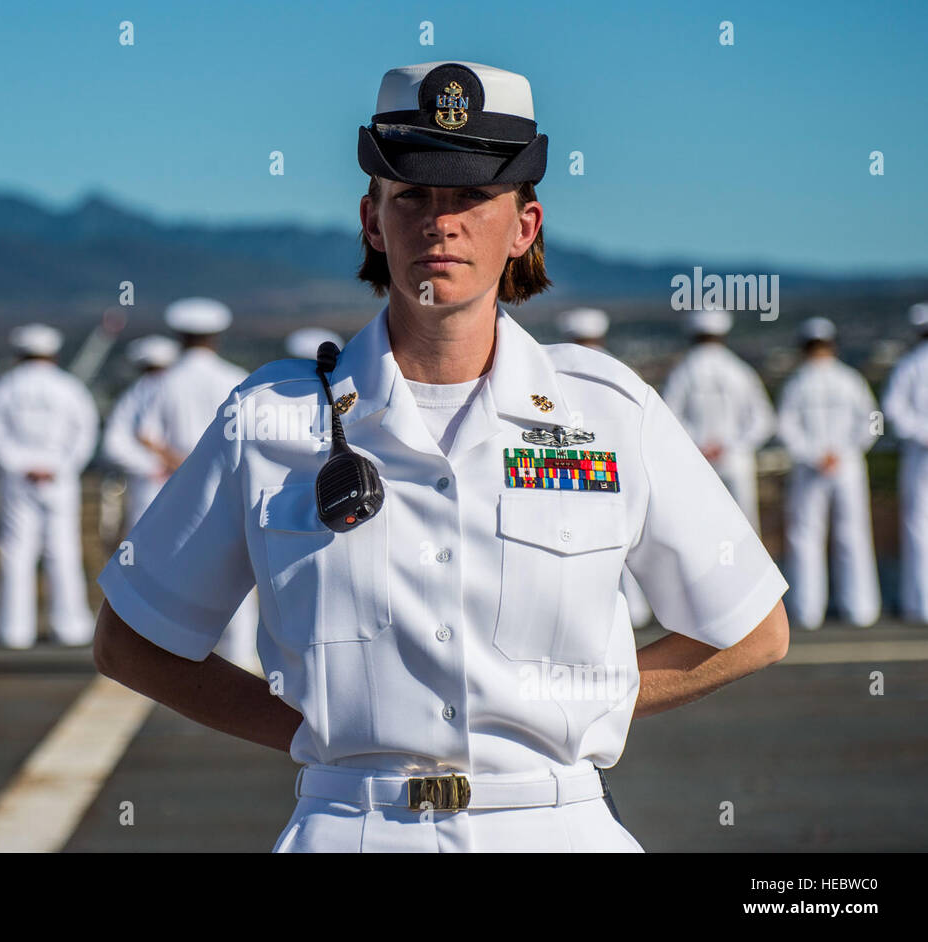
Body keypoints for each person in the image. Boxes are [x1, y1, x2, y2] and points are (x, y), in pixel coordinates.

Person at [92, 61, 790, 853]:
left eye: (470, 198)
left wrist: (579, 709)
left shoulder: (606, 412)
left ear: (524, 226)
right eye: (413, 195)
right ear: (372, 220)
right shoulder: (270, 418)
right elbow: (131, 640)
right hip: (354, 827)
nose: (440, 223)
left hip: (556, 827)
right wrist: (315, 734)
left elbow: (753, 629)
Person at [132, 298, 261, 673]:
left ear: (180, 336)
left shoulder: (163, 382)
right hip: (233, 481)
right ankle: (239, 651)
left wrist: (185, 465)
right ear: (216, 337)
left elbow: (145, 435)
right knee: (238, 566)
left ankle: (176, 649)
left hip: (179, 485)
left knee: (176, 568)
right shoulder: (236, 377)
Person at [0, 324, 100, 648]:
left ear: (19, 353)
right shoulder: (70, 388)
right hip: (59, 481)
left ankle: (14, 630)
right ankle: (71, 626)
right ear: (54, 353)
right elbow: (85, 433)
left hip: (18, 481)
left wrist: (21, 466)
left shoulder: (3, 388)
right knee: (63, 551)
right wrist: (60, 467)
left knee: (16, 553)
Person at [777, 317, 881, 630]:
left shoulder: (797, 382)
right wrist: (846, 451)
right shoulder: (851, 380)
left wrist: (814, 454)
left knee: (806, 537)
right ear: (832, 344)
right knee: (854, 535)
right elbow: (873, 421)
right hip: (846, 467)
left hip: (812, 469)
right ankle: (860, 609)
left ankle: (808, 611)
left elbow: (785, 426)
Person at [558, 307, 652, 629]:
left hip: (577, 467)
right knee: (630, 539)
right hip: (623, 463)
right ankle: (637, 611)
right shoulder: (623, 371)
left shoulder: (557, 372)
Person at [662, 307, 776, 533]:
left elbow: (667, 418)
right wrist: (732, 445)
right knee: (745, 531)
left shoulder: (682, 372)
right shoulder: (740, 370)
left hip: (696, 461)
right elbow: (764, 419)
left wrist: (699, 444)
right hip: (736, 460)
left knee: (697, 529)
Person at [100, 334, 179, 532]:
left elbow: (114, 445)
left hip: (150, 483)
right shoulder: (186, 388)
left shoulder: (132, 396)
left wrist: (150, 466)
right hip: (178, 479)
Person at [884, 303, 928, 623]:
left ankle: (921, 604)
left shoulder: (909, 365)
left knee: (918, 527)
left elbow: (893, 411)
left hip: (919, 452)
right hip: (919, 451)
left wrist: (922, 433)